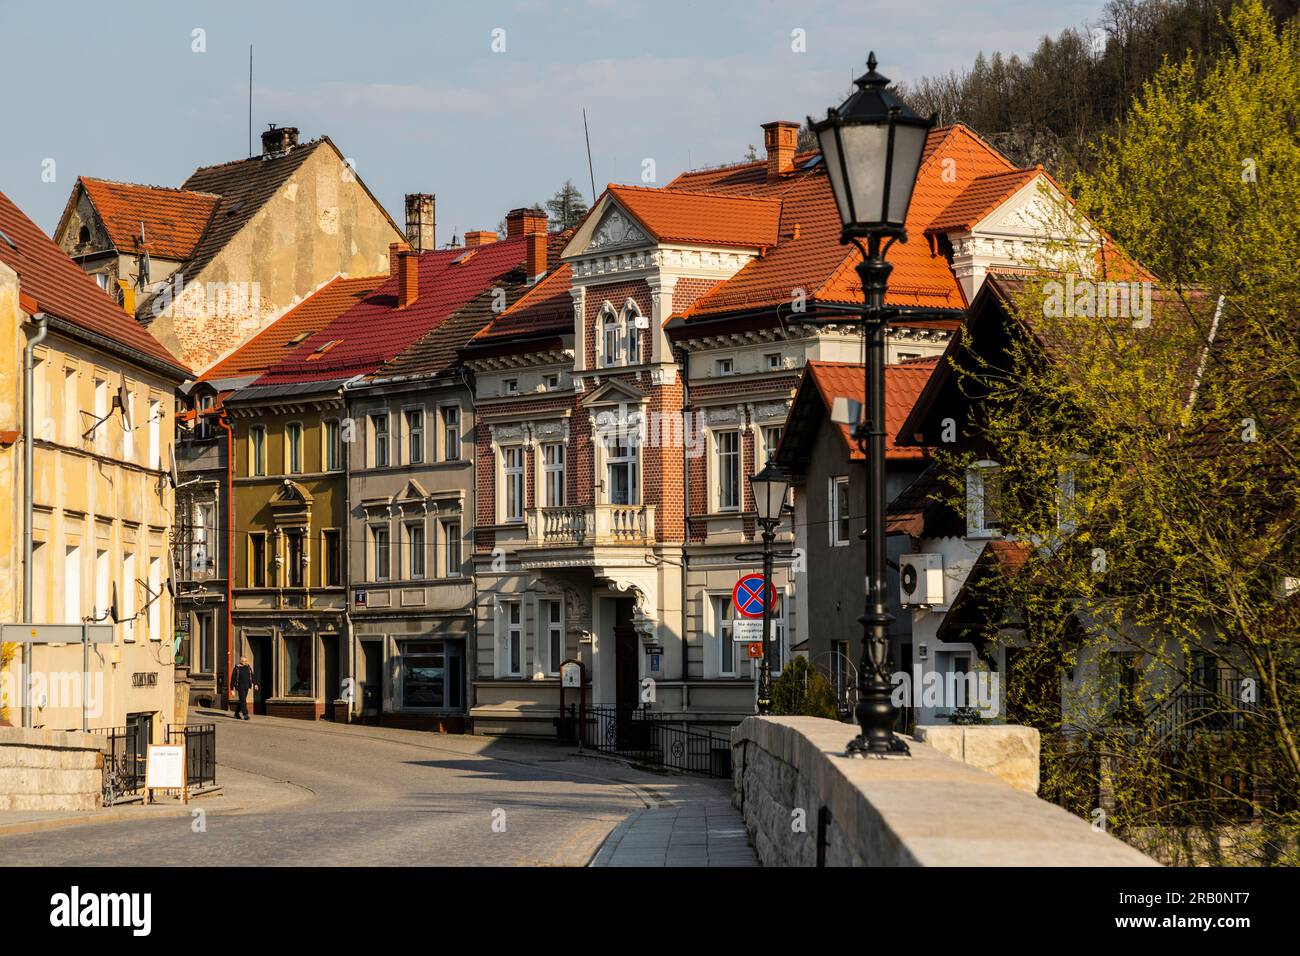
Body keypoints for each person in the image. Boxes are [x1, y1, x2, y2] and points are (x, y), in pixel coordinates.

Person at [231, 656, 257, 720]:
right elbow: (233, 679)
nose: (244, 662)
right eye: (242, 661)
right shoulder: (237, 668)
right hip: (240, 686)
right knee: (243, 700)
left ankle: (236, 713)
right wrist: (232, 689)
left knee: (242, 700)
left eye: (245, 661)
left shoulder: (248, 667)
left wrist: (255, 684)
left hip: (247, 686)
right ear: (240, 661)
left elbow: (252, 676)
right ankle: (245, 714)